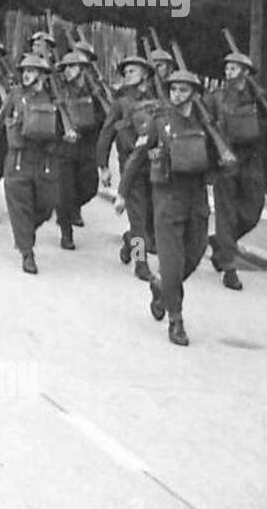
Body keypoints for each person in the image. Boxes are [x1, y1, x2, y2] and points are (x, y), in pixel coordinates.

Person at [115, 69, 227, 346]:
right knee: (149, 239)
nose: (177, 94)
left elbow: (216, 158)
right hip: (165, 197)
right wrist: (119, 191)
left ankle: (159, 283)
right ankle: (175, 317)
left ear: (194, 94)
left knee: (195, 252)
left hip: (196, 199)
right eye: (173, 89)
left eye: (183, 90)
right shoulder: (157, 121)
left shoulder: (205, 123)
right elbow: (136, 155)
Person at [0, 54, 69, 274]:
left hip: (45, 162)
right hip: (18, 161)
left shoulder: (54, 98)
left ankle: (25, 234)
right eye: (25, 71)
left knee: (46, 207)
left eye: (31, 71)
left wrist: (69, 130)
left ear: (41, 74)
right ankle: (27, 252)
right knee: (20, 209)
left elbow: (67, 125)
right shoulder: (15, 95)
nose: (26, 74)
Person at [207, 49, 267, 291]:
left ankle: (220, 243)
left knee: (252, 212)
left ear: (245, 73)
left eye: (234, 68)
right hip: (225, 162)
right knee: (226, 216)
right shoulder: (216, 97)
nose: (228, 72)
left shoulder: (260, 98)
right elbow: (203, 122)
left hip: (252, 160)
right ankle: (229, 268)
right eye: (227, 68)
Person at [97, 55, 160, 281]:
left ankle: (129, 242)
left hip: (155, 166)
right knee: (139, 219)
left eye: (133, 71)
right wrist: (103, 166)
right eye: (126, 72)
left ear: (145, 74)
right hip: (131, 168)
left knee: (151, 218)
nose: (128, 75)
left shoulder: (158, 100)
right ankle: (140, 263)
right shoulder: (120, 103)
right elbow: (106, 134)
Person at [53, 50, 104, 249]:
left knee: (89, 187)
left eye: (72, 67)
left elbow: (105, 117)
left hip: (87, 147)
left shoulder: (96, 91)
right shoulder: (59, 90)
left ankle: (70, 208)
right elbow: (52, 116)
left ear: (83, 70)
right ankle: (66, 232)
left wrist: (90, 123)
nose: (67, 71)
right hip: (64, 149)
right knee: (65, 192)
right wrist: (62, 131)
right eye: (64, 68)